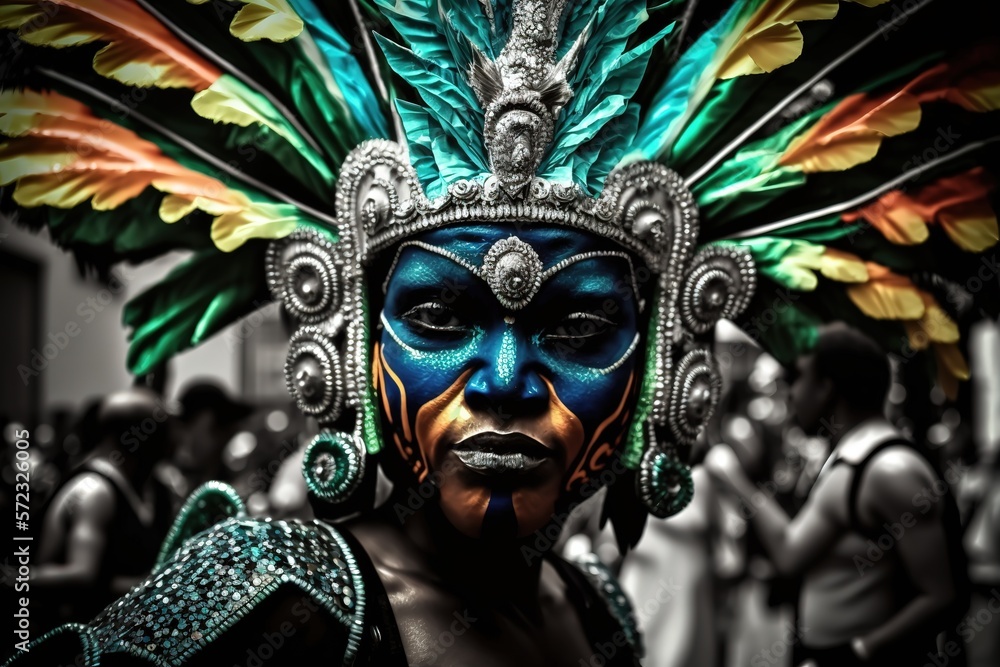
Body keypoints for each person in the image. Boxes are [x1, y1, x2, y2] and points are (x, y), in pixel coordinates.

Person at [2, 1, 997, 666]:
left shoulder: (597, 609)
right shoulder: (284, 597)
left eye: (578, 325)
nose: (508, 380)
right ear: (348, 348)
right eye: (439, 317)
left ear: (666, 370)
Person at [706, 324, 971, 666]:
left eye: (797, 378)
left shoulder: (888, 469)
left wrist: (858, 652)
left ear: (827, 387)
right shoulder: (853, 456)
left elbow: (943, 597)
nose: (790, 394)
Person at [32, 388, 175, 629]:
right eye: (162, 432)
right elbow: (82, 576)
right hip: (76, 645)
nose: (172, 441)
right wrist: (160, 584)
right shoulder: (95, 490)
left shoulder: (149, 487)